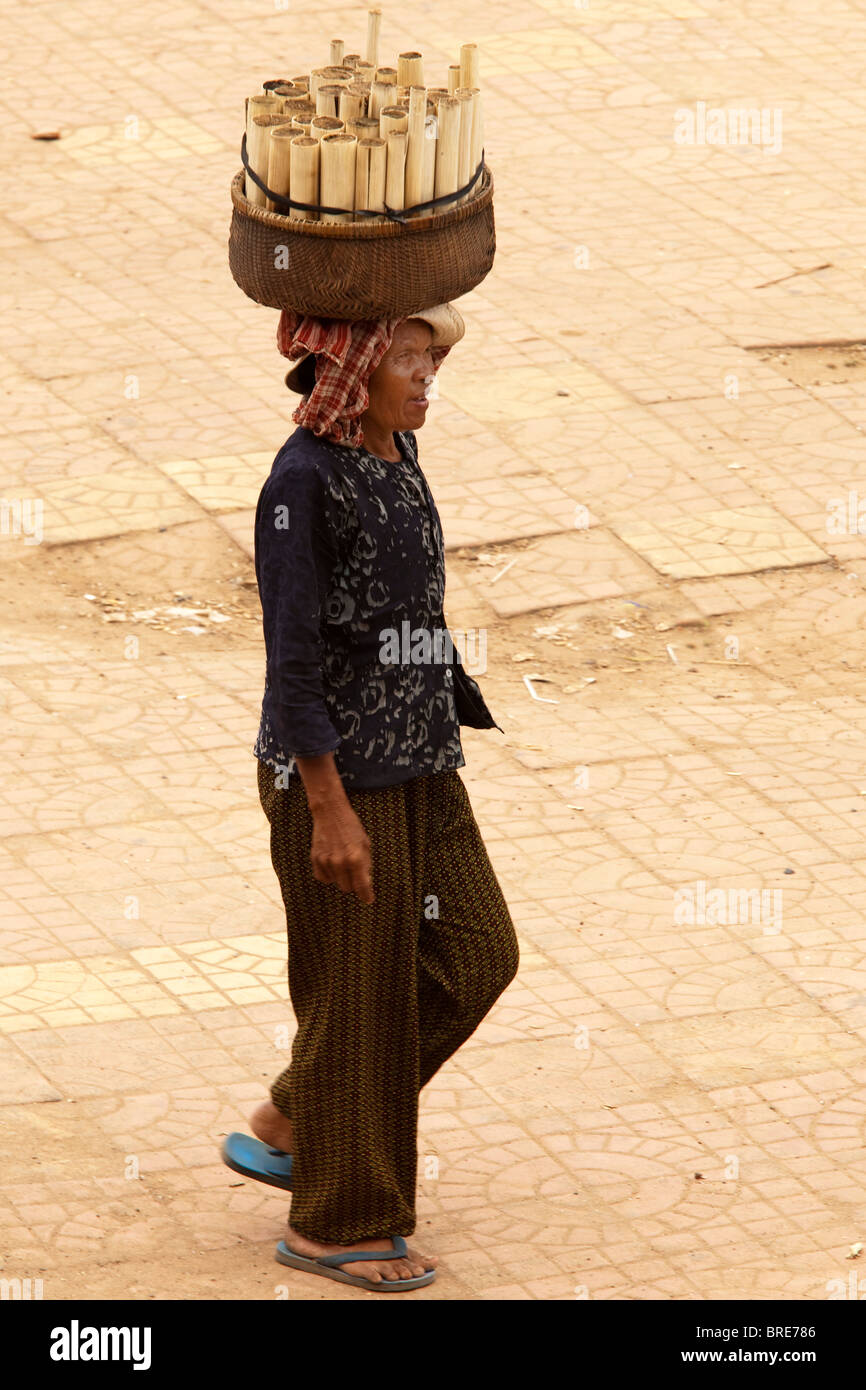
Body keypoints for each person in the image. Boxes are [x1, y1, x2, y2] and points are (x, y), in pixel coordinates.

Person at [221, 303, 519, 1292]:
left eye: (431, 360)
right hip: (339, 778)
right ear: (350, 371)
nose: (427, 376)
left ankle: (302, 1112)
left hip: (422, 760)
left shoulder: (395, 451)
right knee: (361, 996)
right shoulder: (298, 484)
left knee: (477, 952)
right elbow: (291, 660)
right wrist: (326, 807)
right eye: (407, 359)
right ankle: (338, 1223)